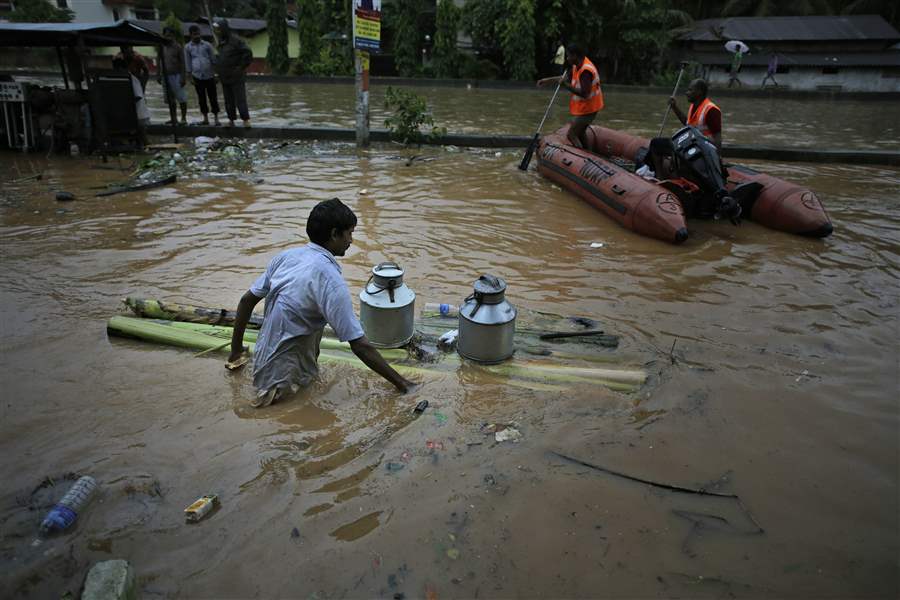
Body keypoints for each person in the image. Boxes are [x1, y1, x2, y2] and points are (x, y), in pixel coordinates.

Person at [227, 198, 415, 407]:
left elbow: (246, 301)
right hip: (285, 380)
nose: (352, 240)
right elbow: (360, 346)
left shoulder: (287, 257)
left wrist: (236, 350)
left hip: (262, 363)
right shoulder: (330, 280)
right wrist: (404, 384)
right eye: (350, 233)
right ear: (335, 234)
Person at [536, 43, 604, 149]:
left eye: (569, 56)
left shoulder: (585, 71)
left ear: (575, 56)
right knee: (580, 133)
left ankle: (583, 157)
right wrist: (546, 80)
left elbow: (584, 93)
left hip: (590, 108)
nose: (567, 58)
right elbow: (564, 78)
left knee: (571, 134)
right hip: (587, 107)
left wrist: (566, 86)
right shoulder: (578, 65)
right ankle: (588, 152)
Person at [213, 18, 253, 128]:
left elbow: (248, 53)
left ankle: (246, 120)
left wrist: (240, 67)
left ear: (224, 29)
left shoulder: (236, 41)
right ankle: (231, 120)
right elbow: (220, 58)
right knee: (228, 100)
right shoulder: (221, 42)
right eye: (217, 30)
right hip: (224, 76)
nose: (218, 32)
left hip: (236, 76)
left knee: (240, 99)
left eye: (219, 29)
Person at [668, 78, 722, 151]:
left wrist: (717, 157)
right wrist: (674, 107)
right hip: (696, 147)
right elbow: (688, 124)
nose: (686, 93)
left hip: (707, 150)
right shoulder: (693, 106)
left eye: (690, 90)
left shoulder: (711, 110)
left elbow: (717, 136)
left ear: (699, 92)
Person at [184, 24, 221, 126]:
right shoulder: (187, 47)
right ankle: (205, 119)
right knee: (201, 98)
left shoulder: (207, 45)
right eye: (195, 34)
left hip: (210, 75)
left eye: (198, 33)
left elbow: (213, 60)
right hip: (197, 76)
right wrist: (189, 76)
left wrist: (216, 74)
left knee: (213, 97)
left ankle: (216, 119)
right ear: (190, 35)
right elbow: (188, 62)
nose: (197, 36)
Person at [113, 56, 150, 147]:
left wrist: (124, 105)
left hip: (138, 115)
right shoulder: (119, 78)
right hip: (129, 113)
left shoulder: (131, 79)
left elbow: (137, 97)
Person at [157, 27, 188, 125]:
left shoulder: (178, 47)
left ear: (173, 36)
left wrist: (183, 77)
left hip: (176, 75)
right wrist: (158, 74)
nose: (168, 37)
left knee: (182, 98)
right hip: (165, 76)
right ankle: (173, 118)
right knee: (170, 100)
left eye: (170, 35)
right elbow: (158, 60)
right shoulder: (161, 46)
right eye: (166, 35)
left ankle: (183, 118)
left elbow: (183, 63)